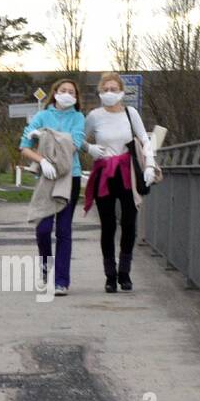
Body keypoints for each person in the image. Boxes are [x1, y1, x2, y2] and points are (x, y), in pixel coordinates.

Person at [82, 71, 158, 292]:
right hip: (104, 172)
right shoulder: (94, 116)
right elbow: (79, 137)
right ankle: (110, 275)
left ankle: (125, 273)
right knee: (107, 225)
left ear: (122, 92)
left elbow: (144, 138)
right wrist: (89, 148)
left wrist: (151, 163)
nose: (109, 93)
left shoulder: (130, 112)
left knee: (129, 223)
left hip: (127, 172)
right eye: (105, 89)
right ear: (99, 92)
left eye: (113, 89)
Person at [19, 79, 85, 295]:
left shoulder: (78, 118)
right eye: (63, 90)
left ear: (76, 97)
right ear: (55, 93)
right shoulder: (42, 116)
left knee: (64, 230)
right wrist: (42, 160)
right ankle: (46, 267)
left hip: (69, 176)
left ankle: (61, 281)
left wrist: (45, 135)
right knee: (44, 228)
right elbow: (24, 146)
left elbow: (73, 144)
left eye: (71, 92)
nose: (67, 94)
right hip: (46, 177)